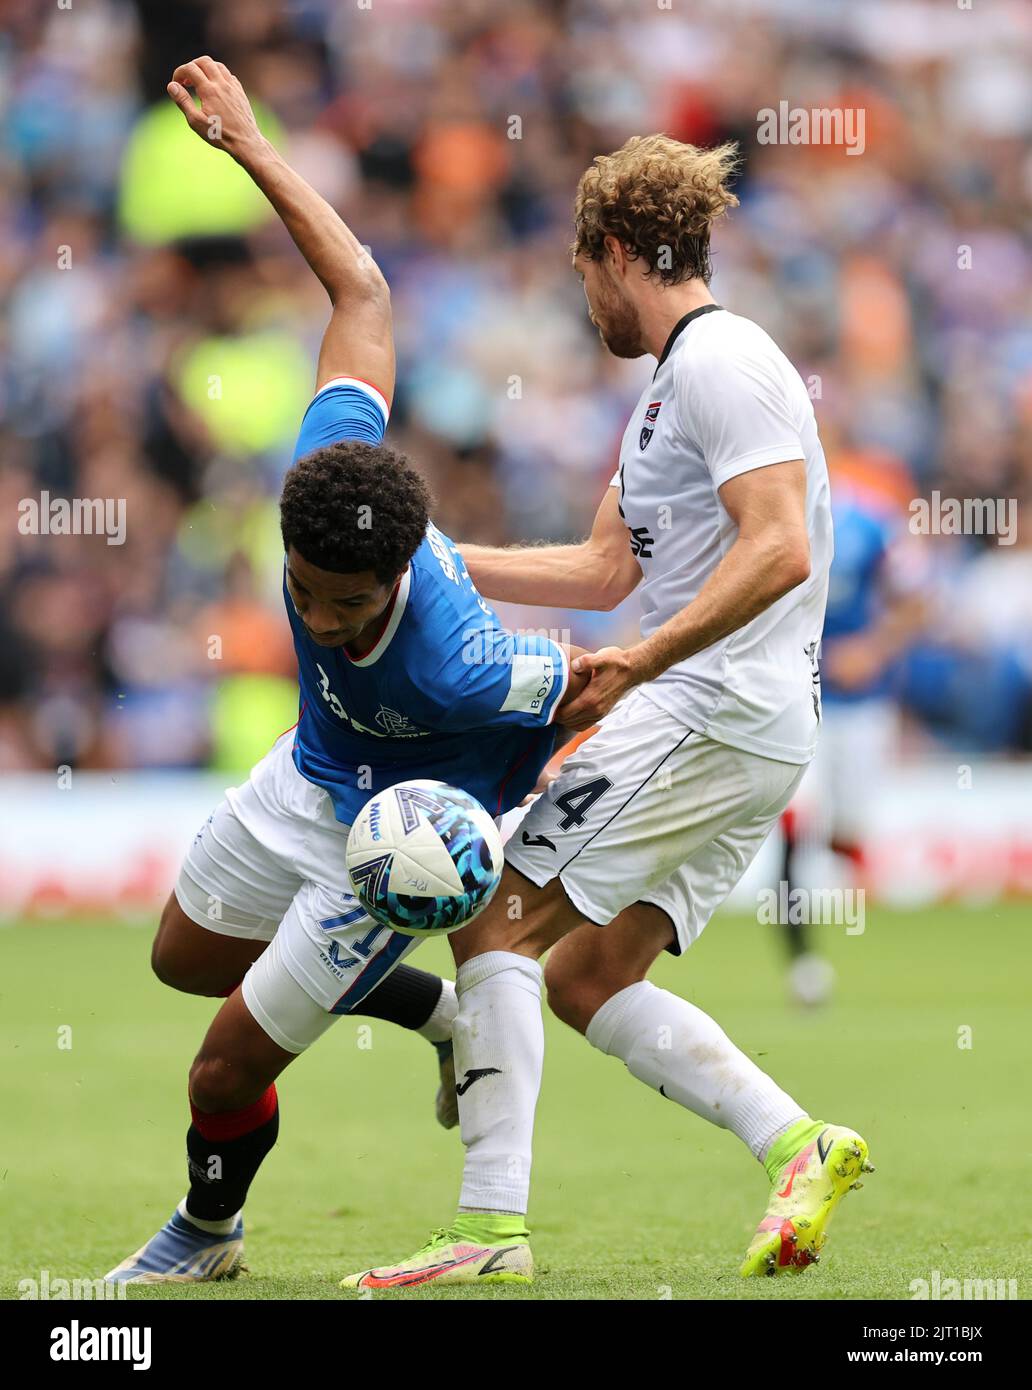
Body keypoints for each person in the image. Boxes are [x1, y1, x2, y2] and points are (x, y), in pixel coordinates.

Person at [345, 135, 872, 1289]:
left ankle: (489, 1225)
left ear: (618, 252)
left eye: (584, 274)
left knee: (491, 918)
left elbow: (778, 546)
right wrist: (427, 559)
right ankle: (800, 1142)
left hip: (707, 702)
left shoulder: (723, 362)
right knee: (583, 976)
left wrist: (640, 665)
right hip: (750, 723)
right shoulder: (669, 392)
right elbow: (598, 570)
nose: (584, 301)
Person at [105, 57, 588, 1284]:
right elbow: (363, 290)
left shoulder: (465, 661)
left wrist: (522, 831)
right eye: (302, 590)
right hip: (309, 776)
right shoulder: (332, 473)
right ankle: (430, 1016)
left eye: (346, 605)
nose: (316, 616)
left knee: (221, 1066)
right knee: (181, 960)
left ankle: (206, 1233)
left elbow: (595, 681)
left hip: (401, 835)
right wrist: (252, 148)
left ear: (400, 580)